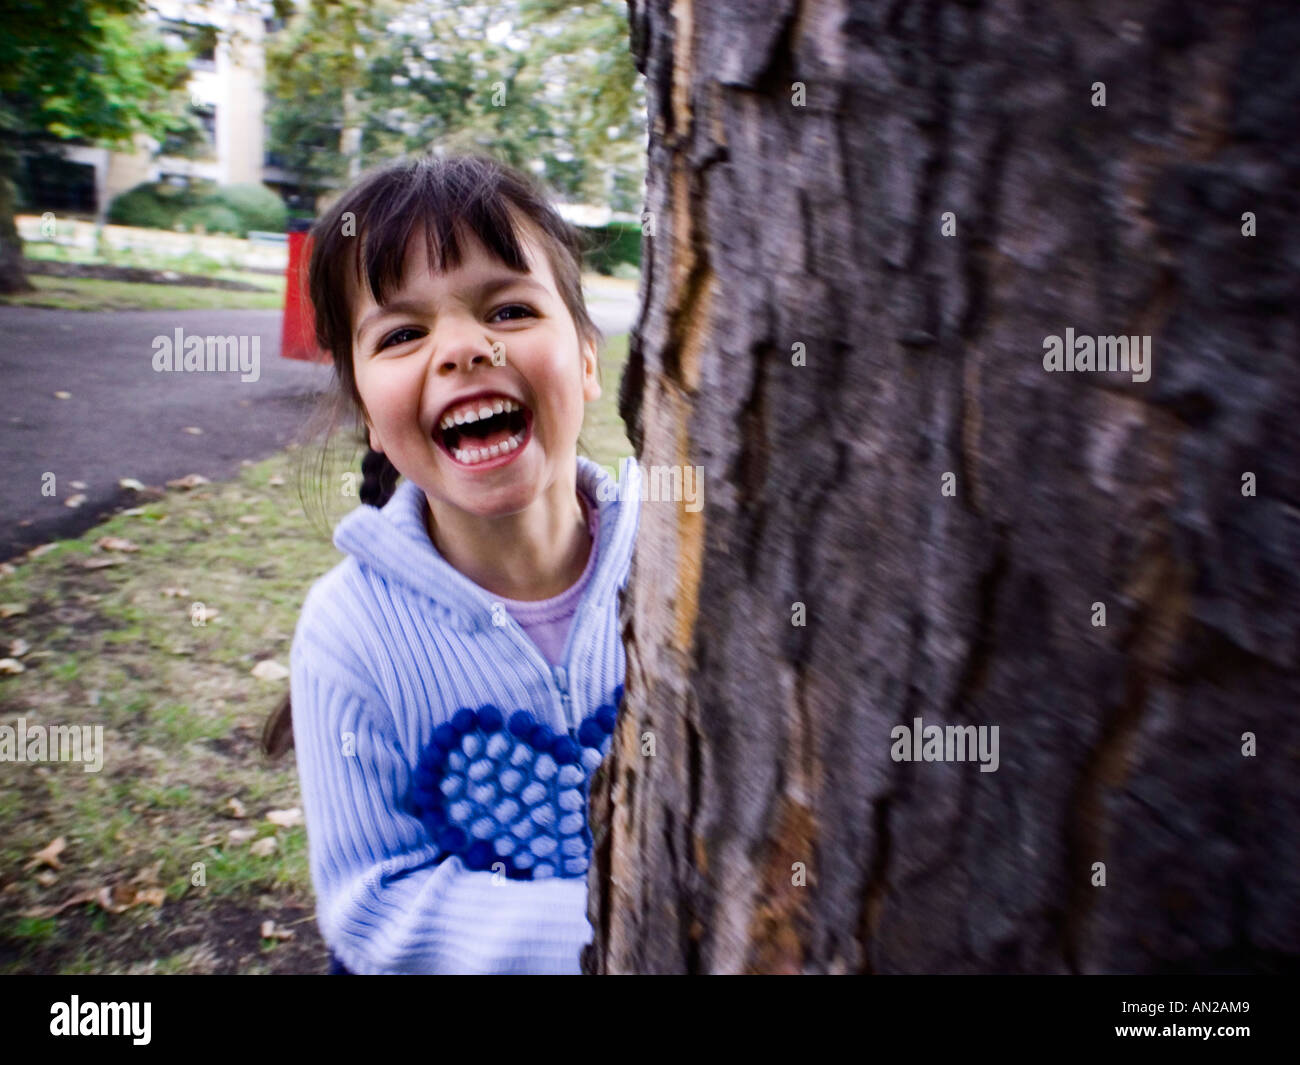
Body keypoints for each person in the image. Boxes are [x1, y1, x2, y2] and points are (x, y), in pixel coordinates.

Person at [277, 153, 641, 974]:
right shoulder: (349, 629)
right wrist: (612, 933)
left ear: (586, 359)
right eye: (403, 333)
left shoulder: (676, 565)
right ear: (368, 412)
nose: (464, 348)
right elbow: (371, 905)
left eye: (509, 309)